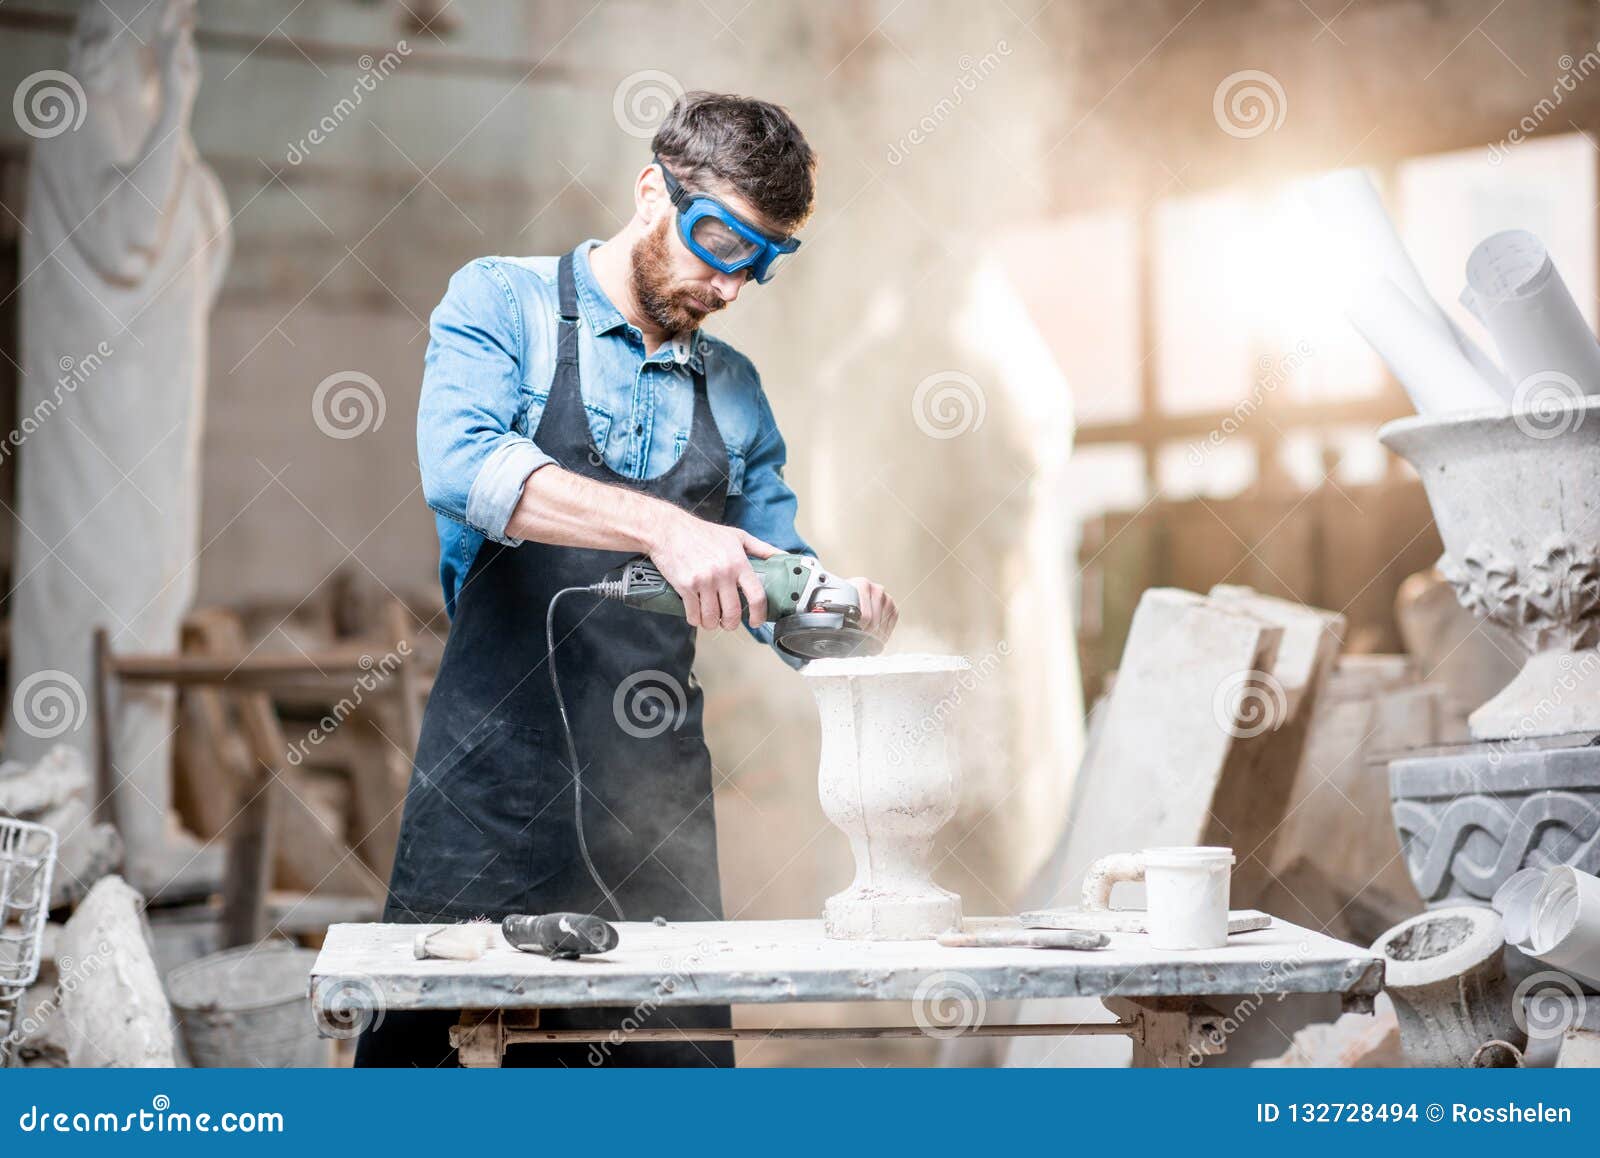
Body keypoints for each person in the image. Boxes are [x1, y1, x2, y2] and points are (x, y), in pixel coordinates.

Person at [356, 92, 896, 1067]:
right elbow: (465, 467)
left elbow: (780, 583)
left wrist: (836, 610)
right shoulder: (500, 304)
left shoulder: (732, 392)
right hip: (489, 786)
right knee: (425, 1077)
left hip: (655, 809)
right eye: (722, 243)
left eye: (763, 262)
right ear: (653, 190)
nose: (734, 286)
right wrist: (667, 530)